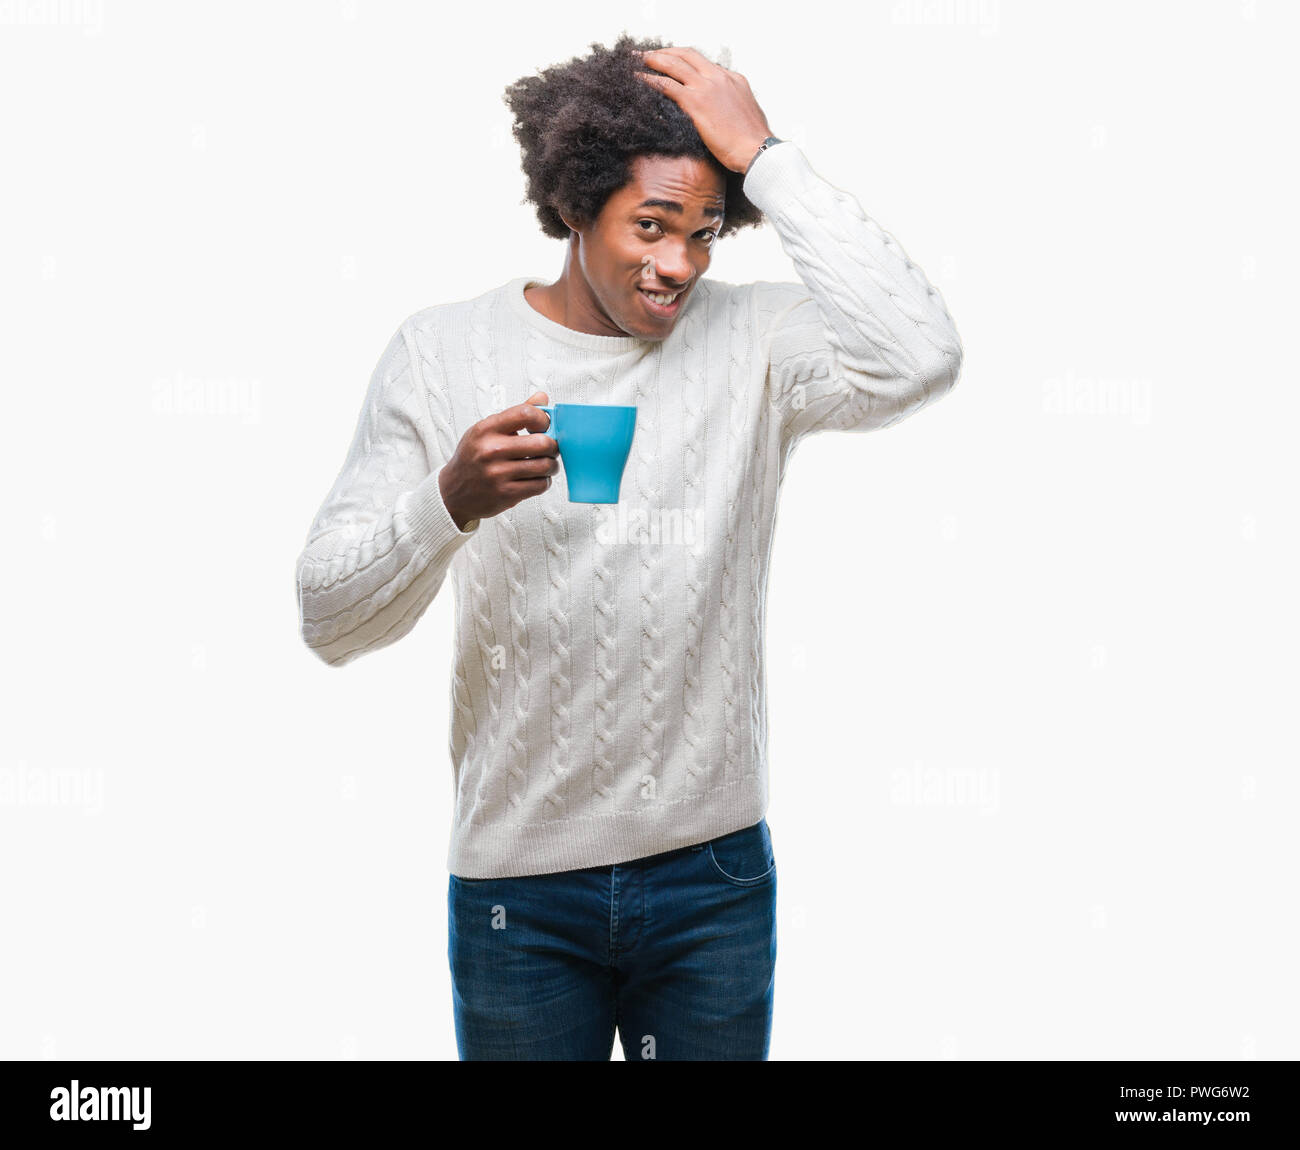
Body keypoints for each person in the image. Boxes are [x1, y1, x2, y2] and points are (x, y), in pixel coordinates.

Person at [294, 34, 964, 1060]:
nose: (679, 264)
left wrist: (768, 158)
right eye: (650, 226)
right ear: (573, 209)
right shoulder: (442, 352)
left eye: (704, 231)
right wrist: (449, 502)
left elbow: (919, 356)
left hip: (713, 881)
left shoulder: (752, 343)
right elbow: (328, 618)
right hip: (519, 891)